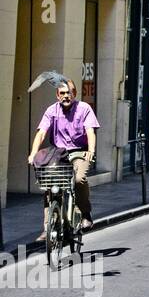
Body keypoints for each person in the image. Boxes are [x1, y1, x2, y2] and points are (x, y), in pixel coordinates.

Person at [28, 79, 98, 235]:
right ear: (57, 95)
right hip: (58, 152)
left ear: (75, 93)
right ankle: (48, 226)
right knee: (49, 183)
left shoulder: (84, 108)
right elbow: (41, 133)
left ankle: (85, 214)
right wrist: (33, 153)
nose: (66, 96)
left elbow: (90, 132)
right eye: (63, 93)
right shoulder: (52, 110)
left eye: (70, 92)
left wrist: (91, 150)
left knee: (79, 179)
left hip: (79, 151)